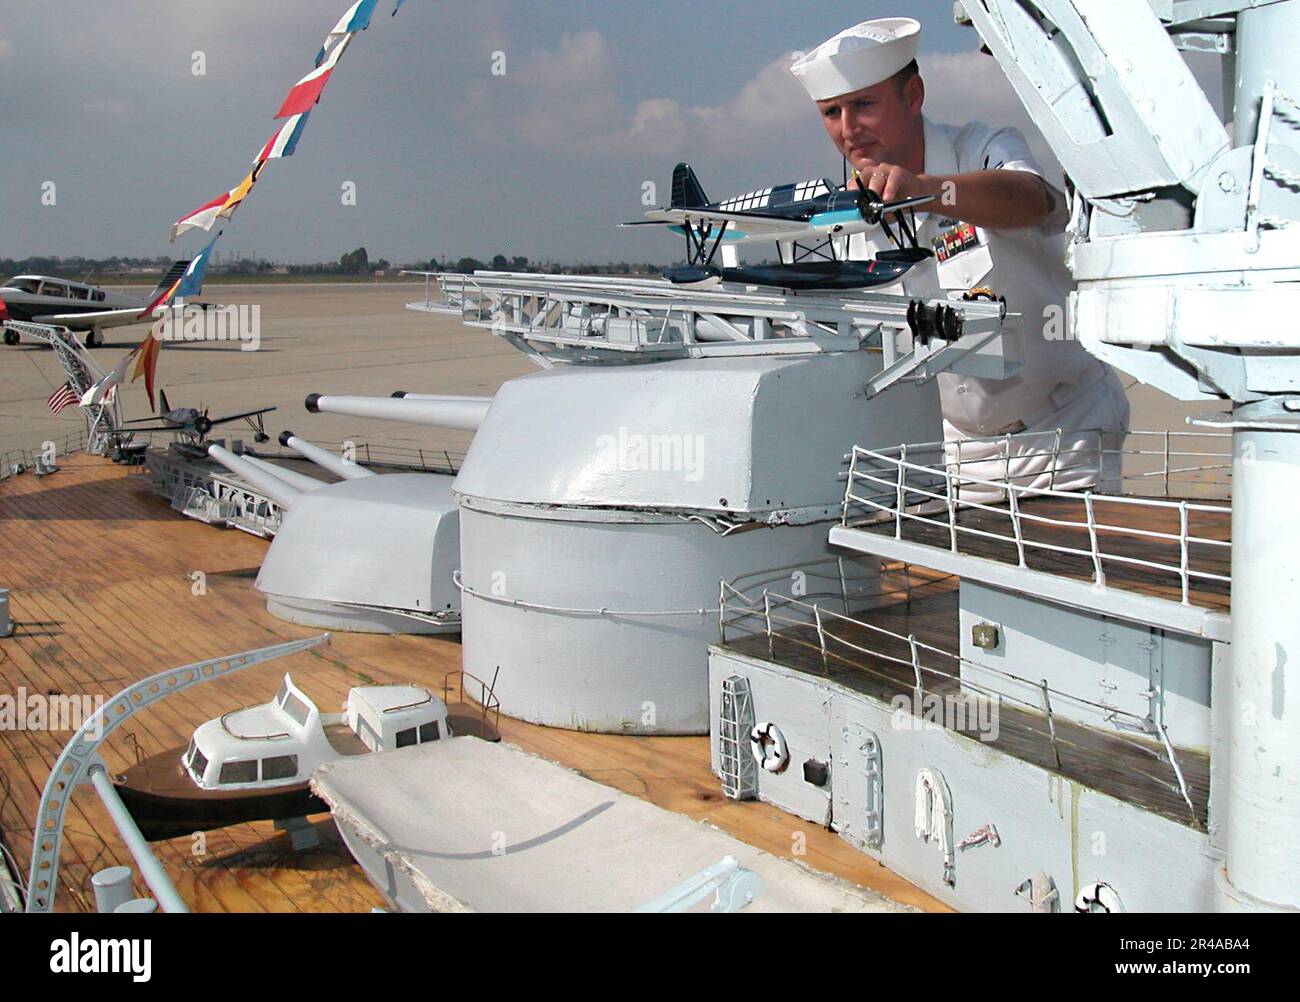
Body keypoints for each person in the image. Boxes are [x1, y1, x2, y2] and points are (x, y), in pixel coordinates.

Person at [791, 17, 1129, 499]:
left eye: (863, 104)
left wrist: (925, 192)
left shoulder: (983, 150)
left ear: (913, 96)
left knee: (1070, 572)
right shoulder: (849, 220)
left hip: (1063, 436)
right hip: (955, 457)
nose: (848, 129)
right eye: (831, 112)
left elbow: (1032, 198)